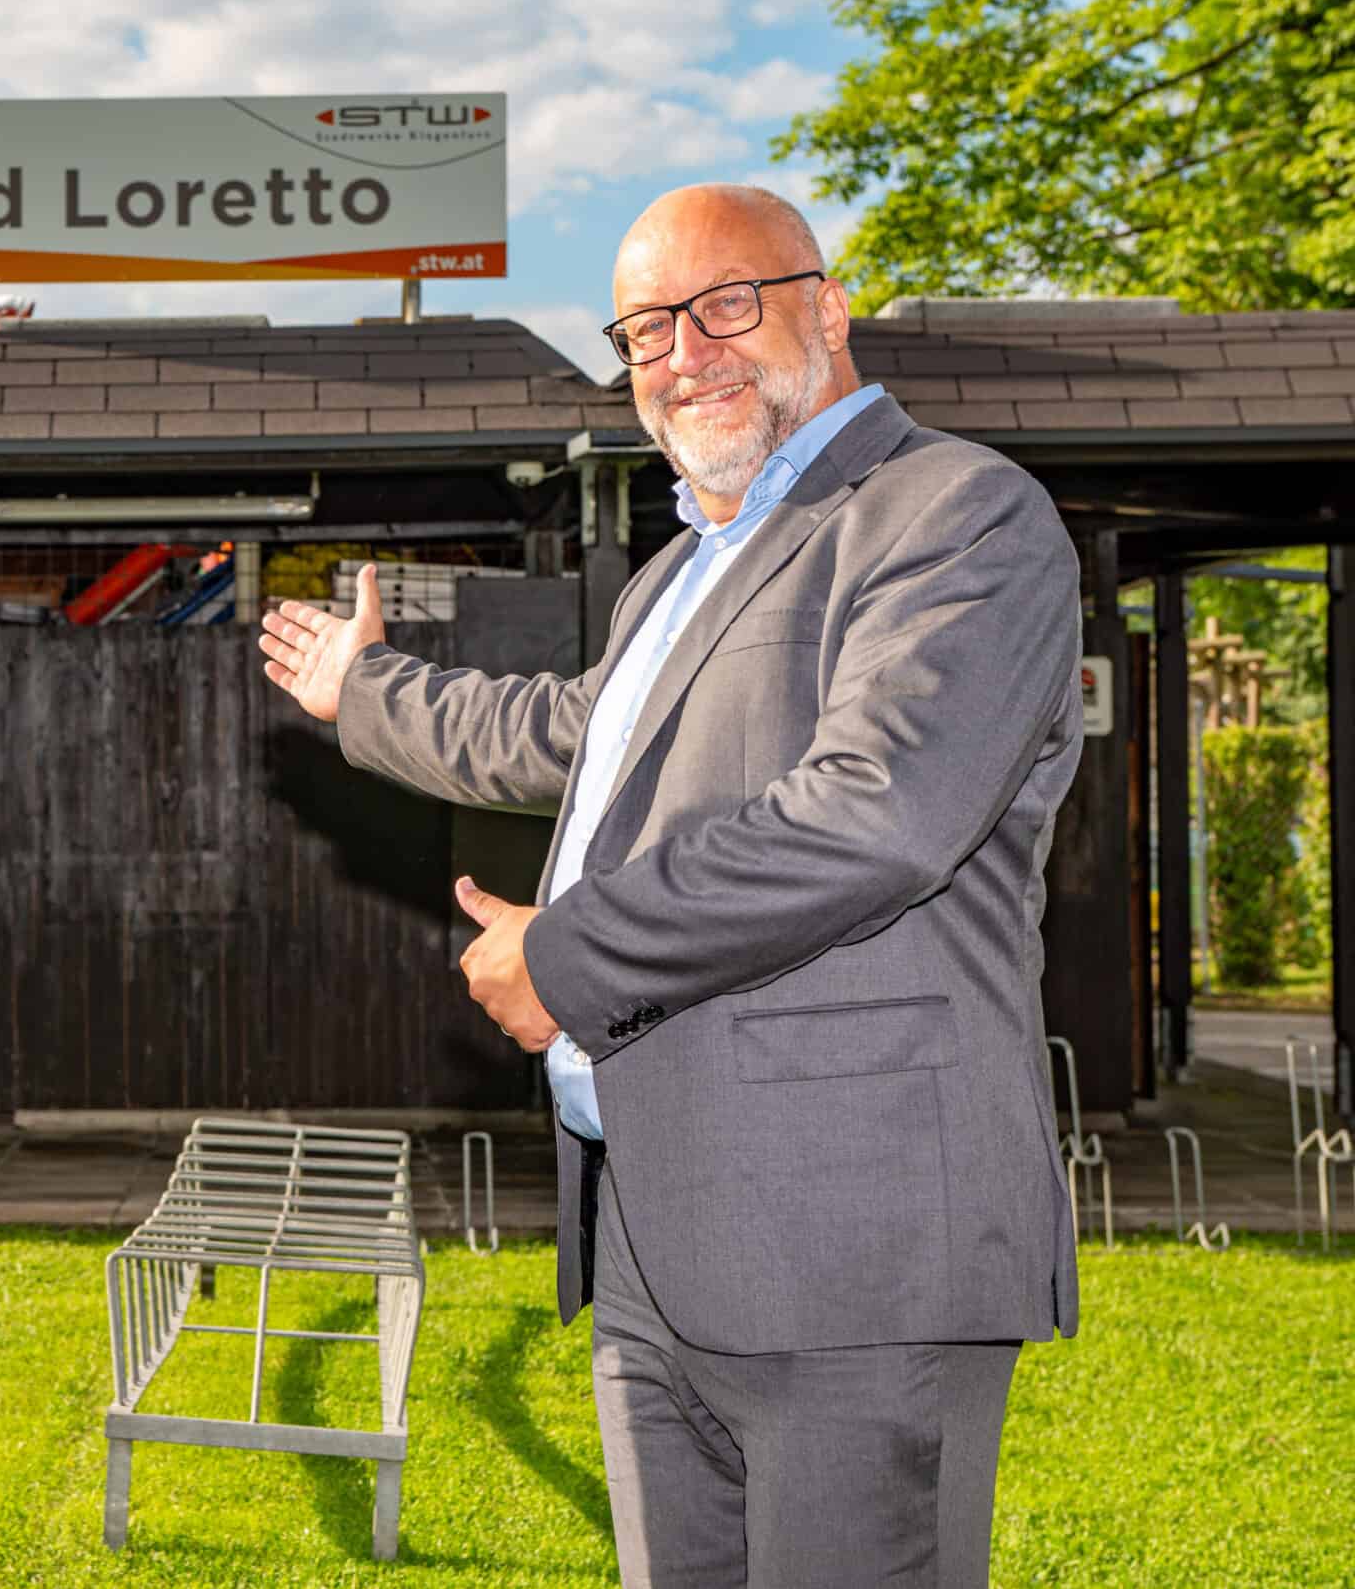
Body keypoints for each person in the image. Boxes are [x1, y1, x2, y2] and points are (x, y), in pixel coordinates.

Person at [259, 183, 1082, 1586]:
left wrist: (565, 961)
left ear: (827, 308)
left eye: (724, 306)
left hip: (852, 1246)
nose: (684, 354)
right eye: (646, 330)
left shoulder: (955, 511)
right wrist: (367, 691)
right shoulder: (681, 573)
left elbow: (876, 815)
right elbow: (560, 735)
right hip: (656, 1229)